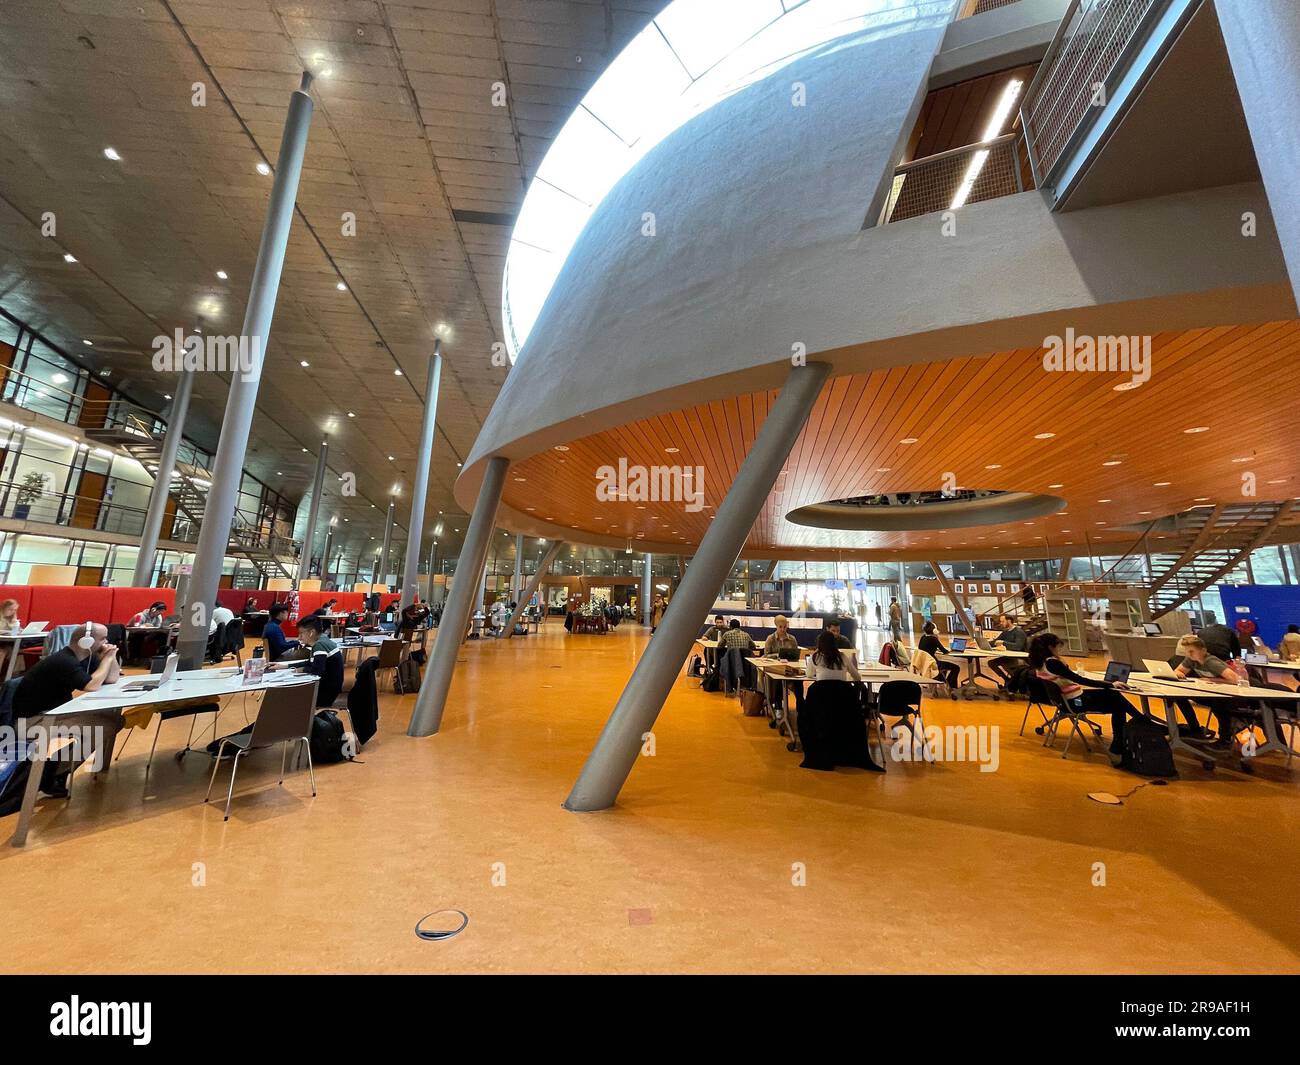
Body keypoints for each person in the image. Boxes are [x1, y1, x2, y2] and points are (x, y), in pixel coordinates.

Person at [12, 623, 122, 796]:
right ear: (86, 640)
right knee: (105, 726)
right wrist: (106, 660)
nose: (106, 642)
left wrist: (110, 657)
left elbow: (112, 678)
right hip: (31, 722)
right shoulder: (63, 660)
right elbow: (91, 685)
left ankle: (54, 770)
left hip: (52, 715)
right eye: (103, 638)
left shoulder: (85, 658)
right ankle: (53, 772)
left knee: (114, 720)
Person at [1028, 631, 1140, 764]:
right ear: (1051, 647)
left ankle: (1128, 733)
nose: (1059, 650)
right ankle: (1138, 724)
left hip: (1064, 701)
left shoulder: (1039, 664)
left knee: (1115, 699)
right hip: (1076, 702)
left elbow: (1068, 678)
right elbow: (1079, 679)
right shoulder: (1053, 663)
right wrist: (1110, 684)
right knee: (1115, 698)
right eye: (1058, 647)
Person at [1173, 635, 1250, 747]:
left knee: (1218, 704)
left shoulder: (1211, 662)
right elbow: (1178, 670)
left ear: (1203, 651)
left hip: (1232, 697)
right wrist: (1179, 673)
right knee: (1180, 697)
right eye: (1187, 651)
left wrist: (1210, 679)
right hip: (1213, 694)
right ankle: (1195, 729)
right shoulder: (1191, 660)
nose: (1189, 654)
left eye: (1192, 651)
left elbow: (1236, 679)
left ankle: (1225, 738)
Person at [270, 615, 343, 707]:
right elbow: (310, 662)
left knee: (289, 698)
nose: (299, 637)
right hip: (329, 686)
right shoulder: (322, 639)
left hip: (326, 690)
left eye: (301, 633)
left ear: (311, 632)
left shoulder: (319, 645)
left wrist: (297, 670)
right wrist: (284, 666)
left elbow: (316, 670)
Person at [917, 621, 960, 693]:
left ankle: (943, 682)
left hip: (925, 663)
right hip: (933, 664)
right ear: (934, 630)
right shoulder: (934, 639)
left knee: (944, 666)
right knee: (956, 667)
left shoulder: (923, 637)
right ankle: (951, 685)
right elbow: (944, 651)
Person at [988, 613, 1028, 685]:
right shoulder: (1005, 632)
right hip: (1009, 657)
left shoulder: (1019, 632)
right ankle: (1007, 680)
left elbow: (1018, 647)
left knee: (1004, 663)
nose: (1001, 623)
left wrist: (1003, 643)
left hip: (1019, 658)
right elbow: (996, 641)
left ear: (1009, 621)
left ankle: (1016, 681)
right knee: (991, 663)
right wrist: (985, 643)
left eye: (1003, 621)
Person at [0, 598, 22, 678]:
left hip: (6, 643)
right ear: (3, 607)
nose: (13, 611)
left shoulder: (11, 618)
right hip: (2, 643)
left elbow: (16, 630)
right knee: (2, 652)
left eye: (15, 610)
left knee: (17, 651)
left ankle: (14, 677)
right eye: (10, 609)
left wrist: (14, 621)